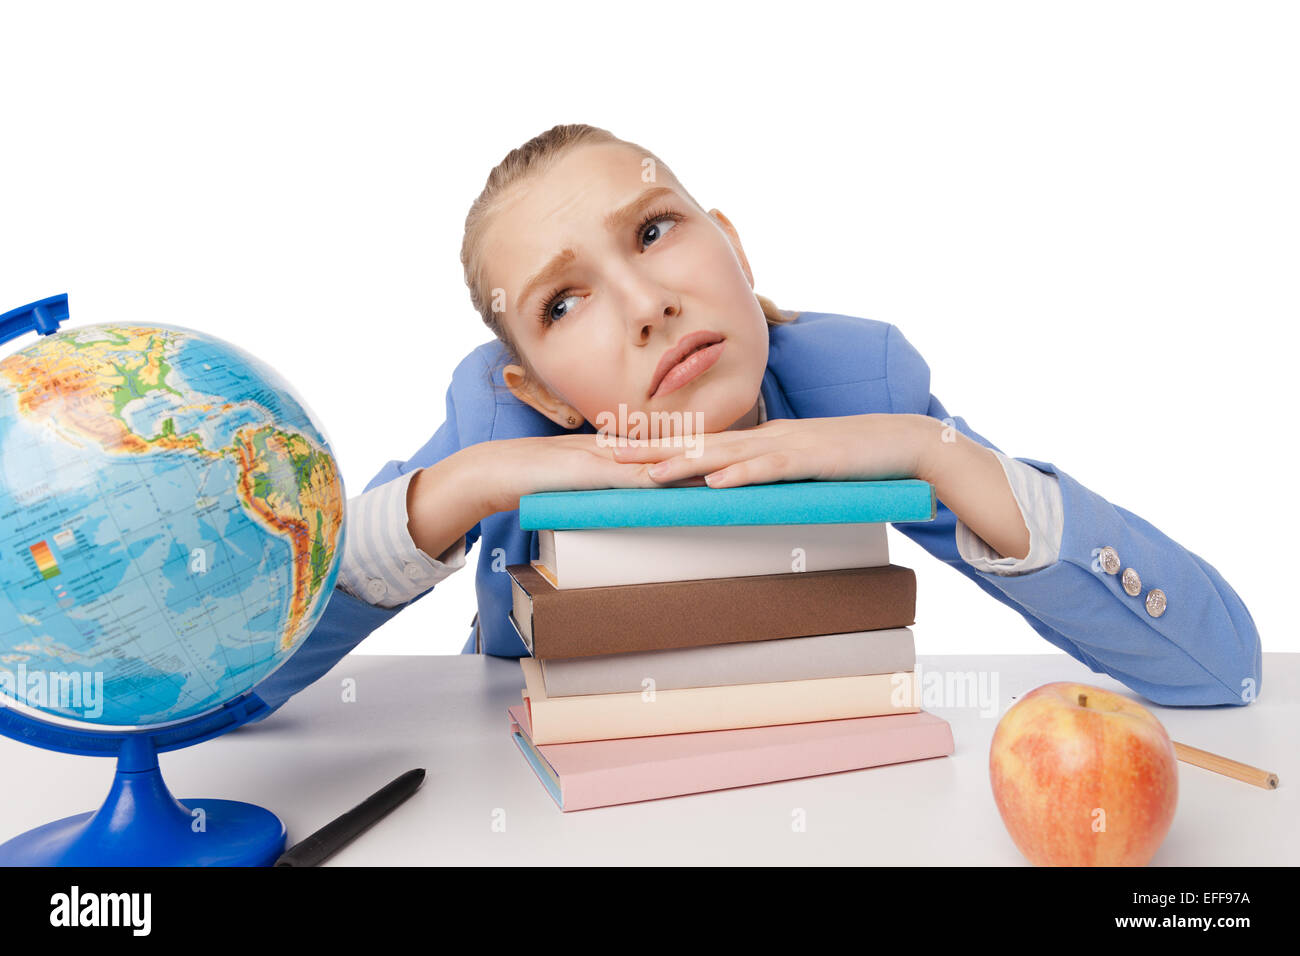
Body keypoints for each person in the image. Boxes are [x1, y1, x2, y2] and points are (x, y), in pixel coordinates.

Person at [249, 123, 1262, 718]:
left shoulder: (853, 377)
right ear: (543, 392)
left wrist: (926, 451)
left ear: (733, 250)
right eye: (565, 302)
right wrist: (460, 488)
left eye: (653, 232)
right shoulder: (494, 424)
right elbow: (228, 690)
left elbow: (1219, 666)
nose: (647, 303)